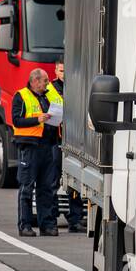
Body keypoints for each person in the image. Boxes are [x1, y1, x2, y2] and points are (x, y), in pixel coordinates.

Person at [11, 68, 62, 237]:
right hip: (30, 147)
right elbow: (16, 120)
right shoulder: (21, 96)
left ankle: (46, 225)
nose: (47, 84)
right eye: (45, 81)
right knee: (27, 187)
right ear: (35, 81)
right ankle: (24, 225)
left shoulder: (47, 96)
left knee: (46, 188)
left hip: (47, 146)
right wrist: (37, 119)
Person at [51, 60, 85, 233]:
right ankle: (51, 217)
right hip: (56, 141)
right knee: (52, 181)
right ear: (56, 71)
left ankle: (75, 219)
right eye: (61, 70)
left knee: (74, 182)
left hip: (72, 142)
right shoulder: (50, 89)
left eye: (66, 70)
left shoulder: (76, 88)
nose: (64, 74)